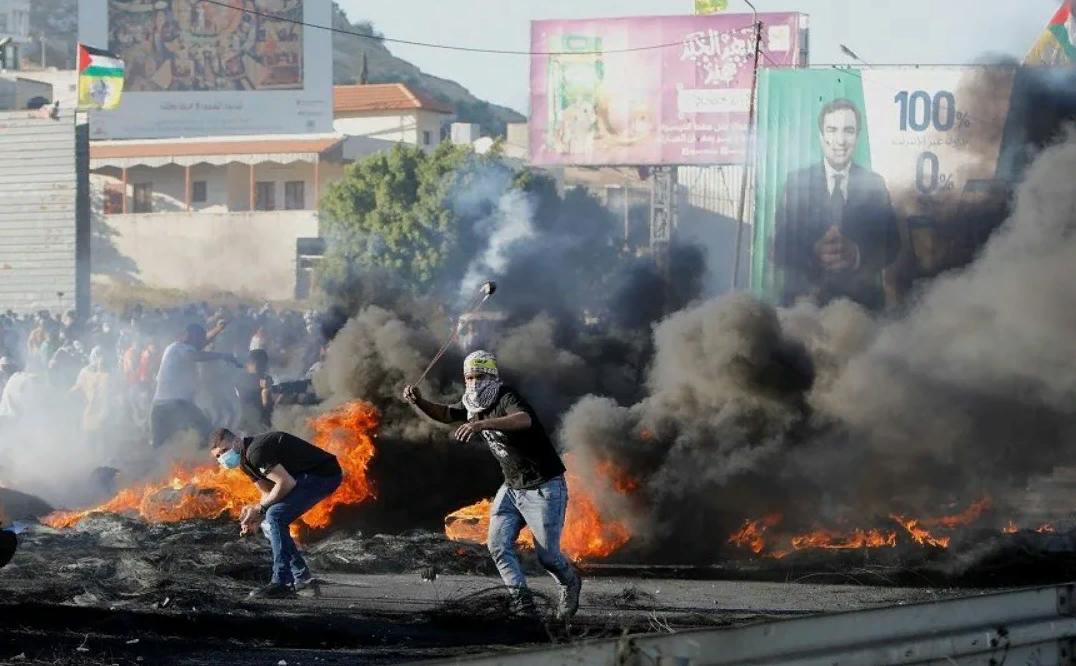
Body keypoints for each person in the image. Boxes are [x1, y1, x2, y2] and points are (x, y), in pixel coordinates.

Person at [401, 350, 582, 621]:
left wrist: (481, 424)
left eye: (480, 376)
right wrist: (419, 402)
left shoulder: (505, 396)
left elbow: (523, 419)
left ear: (492, 376)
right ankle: (523, 603)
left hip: (543, 487)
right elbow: (447, 414)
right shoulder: (472, 404)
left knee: (548, 559)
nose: (474, 382)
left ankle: (570, 583)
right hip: (511, 488)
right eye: (469, 377)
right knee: (497, 546)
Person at [773, 97, 901, 311]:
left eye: (848, 131)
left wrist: (857, 254)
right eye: (832, 130)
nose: (840, 140)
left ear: (857, 137)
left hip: (861, 311)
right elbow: (778, 248)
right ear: (821, 137)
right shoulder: (796, 183)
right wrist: (813, 253)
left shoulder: (874, 184)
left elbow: (893, 246)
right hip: (805, 309)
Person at [209, 428, 342, 598]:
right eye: (217, 457)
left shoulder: (256, 452)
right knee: (268, 521)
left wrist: (261, 509)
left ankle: (281, 582)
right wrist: (256, 517)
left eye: (224, 451)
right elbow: (267, 492)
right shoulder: (245, 464)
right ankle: (302, 578)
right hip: (301, 479)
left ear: (236, 441)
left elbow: (285, 483)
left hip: (323, 474)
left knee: (275, 515)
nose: (222, 458)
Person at [150, 321, 240, 449]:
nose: (201, 344)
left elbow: (200, 346)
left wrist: (217, 329)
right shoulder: (177, 348)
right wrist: (223, 355)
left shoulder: (181, 348)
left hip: (160, 405)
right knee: (207, 434)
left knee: (163, 444)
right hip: (177, 404)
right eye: (199, 339)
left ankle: (187, 463)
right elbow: (196, 355)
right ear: (190, 336)